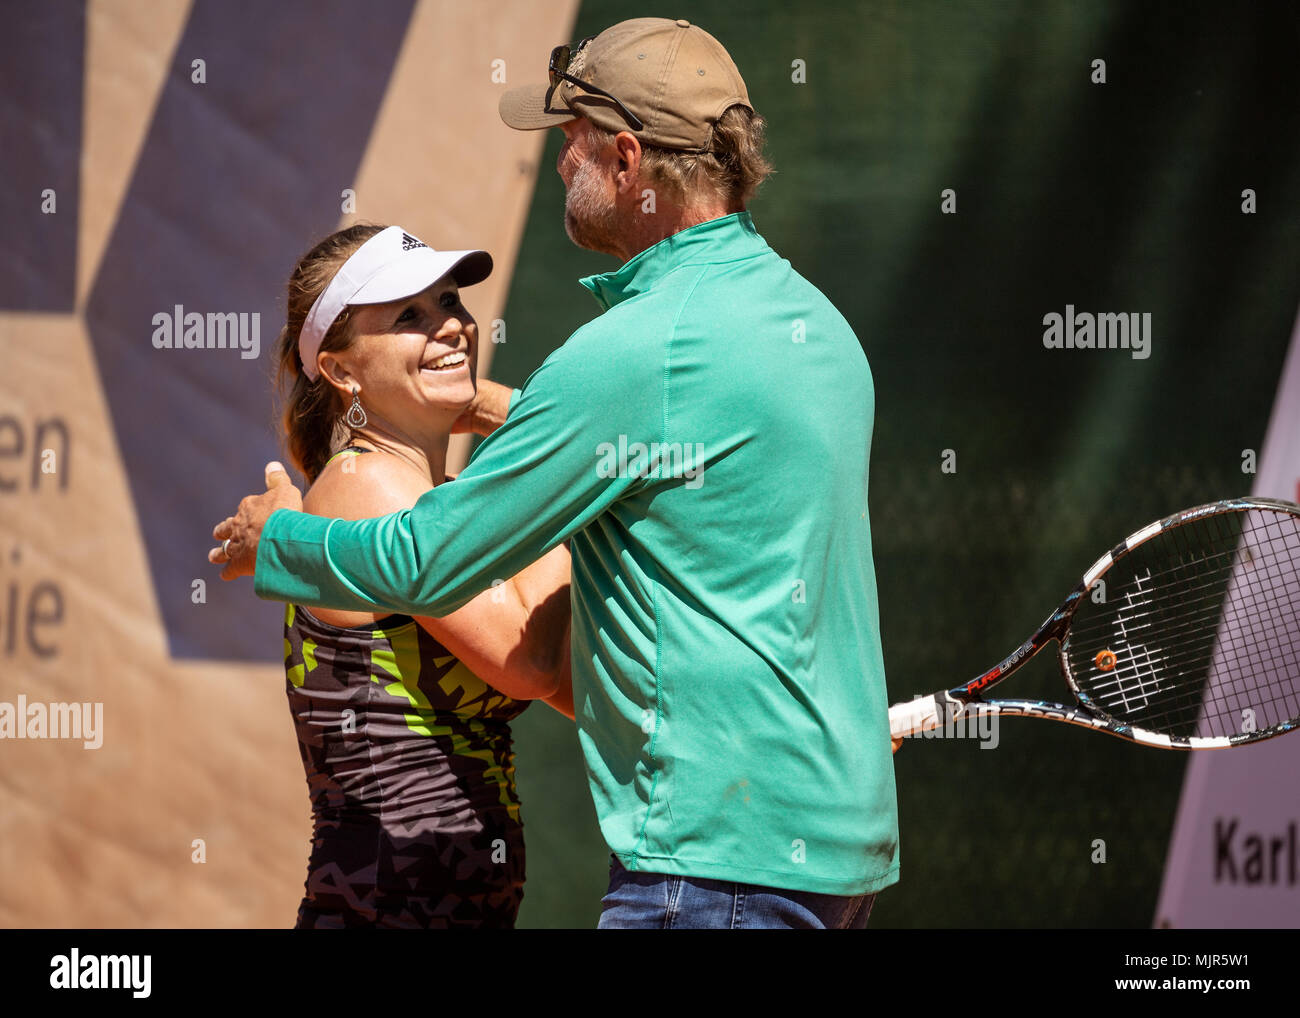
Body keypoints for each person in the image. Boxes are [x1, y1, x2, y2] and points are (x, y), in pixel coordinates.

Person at [212, 17, 899, 929]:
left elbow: (445, 576)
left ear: (625, 157)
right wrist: (517, 420)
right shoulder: (816, 331)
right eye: (405, 314)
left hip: (709, 871)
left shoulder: (633, 356)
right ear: (337, 368)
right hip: (825, 857)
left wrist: (279, 539)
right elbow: (601, 639)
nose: (560, 162)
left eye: (570, 137)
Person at [270, 223, 572, 928]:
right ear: (343, 372)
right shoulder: (365, 488)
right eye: (410, 316)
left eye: (450, 302)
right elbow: (527, 660)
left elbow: (565, 686)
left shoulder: (443, 498)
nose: (452, 327)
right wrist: (564, 476)